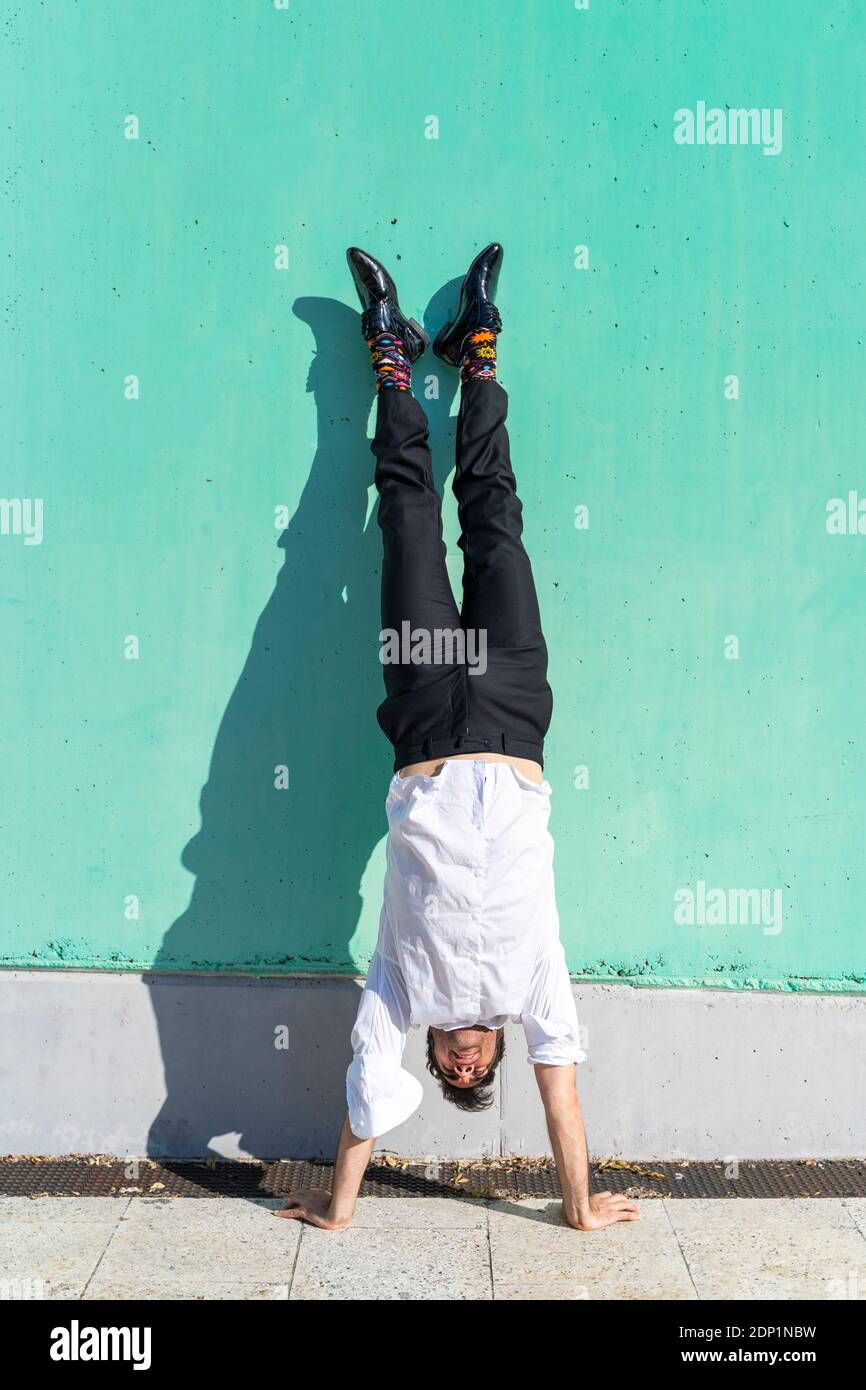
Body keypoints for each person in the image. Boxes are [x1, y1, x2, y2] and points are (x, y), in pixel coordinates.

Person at [278, 245, 639, 1233]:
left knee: (404, 524)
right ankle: (476, 353)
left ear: (434, 1053)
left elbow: (363, 1091)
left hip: (431, 712)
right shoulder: (536, 983)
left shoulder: (400, 986)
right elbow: (561, 1090)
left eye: (452, 1072)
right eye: (477, 1073)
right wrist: (575, 1206)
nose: (467, 1065)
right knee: (497, 528)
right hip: (516, 710)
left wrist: (339, 1211)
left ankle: (391, 358)